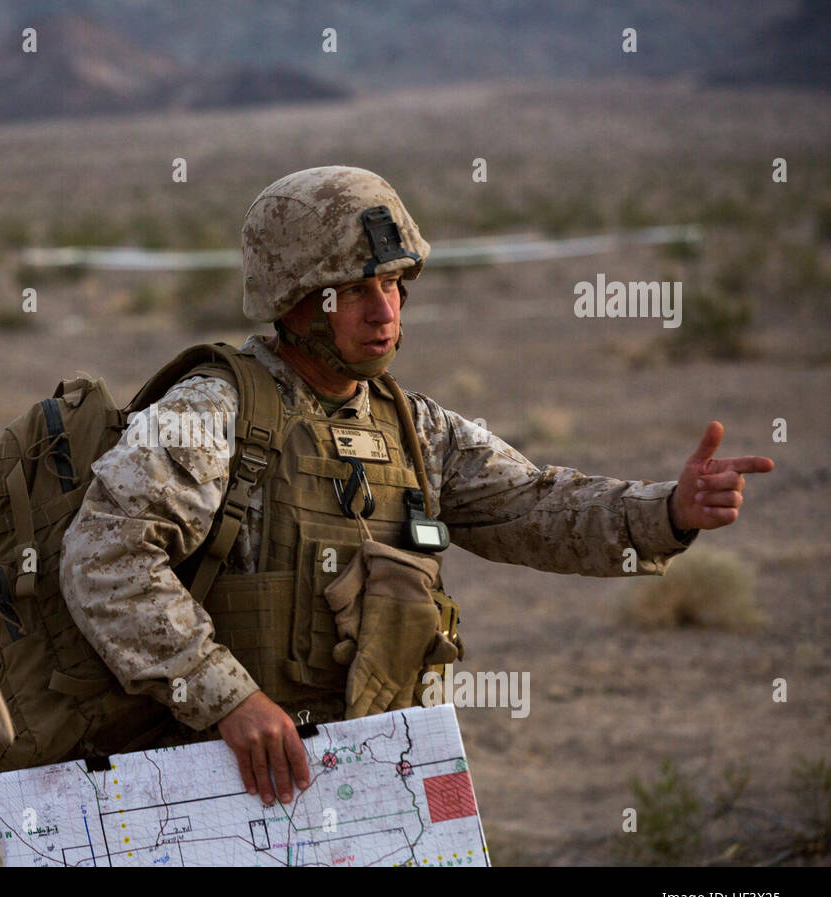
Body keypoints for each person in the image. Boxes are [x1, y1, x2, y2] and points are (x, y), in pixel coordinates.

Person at [60, 165, 774, 809]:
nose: (386, 310)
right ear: (294, 300)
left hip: (372, 784)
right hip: (219, 793)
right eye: (358, 290)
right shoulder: (210, 413)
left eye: (395, 284)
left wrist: (666, 512)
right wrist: (228, 700)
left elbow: (531, 505)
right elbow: (104, 562)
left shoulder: (410, 427)